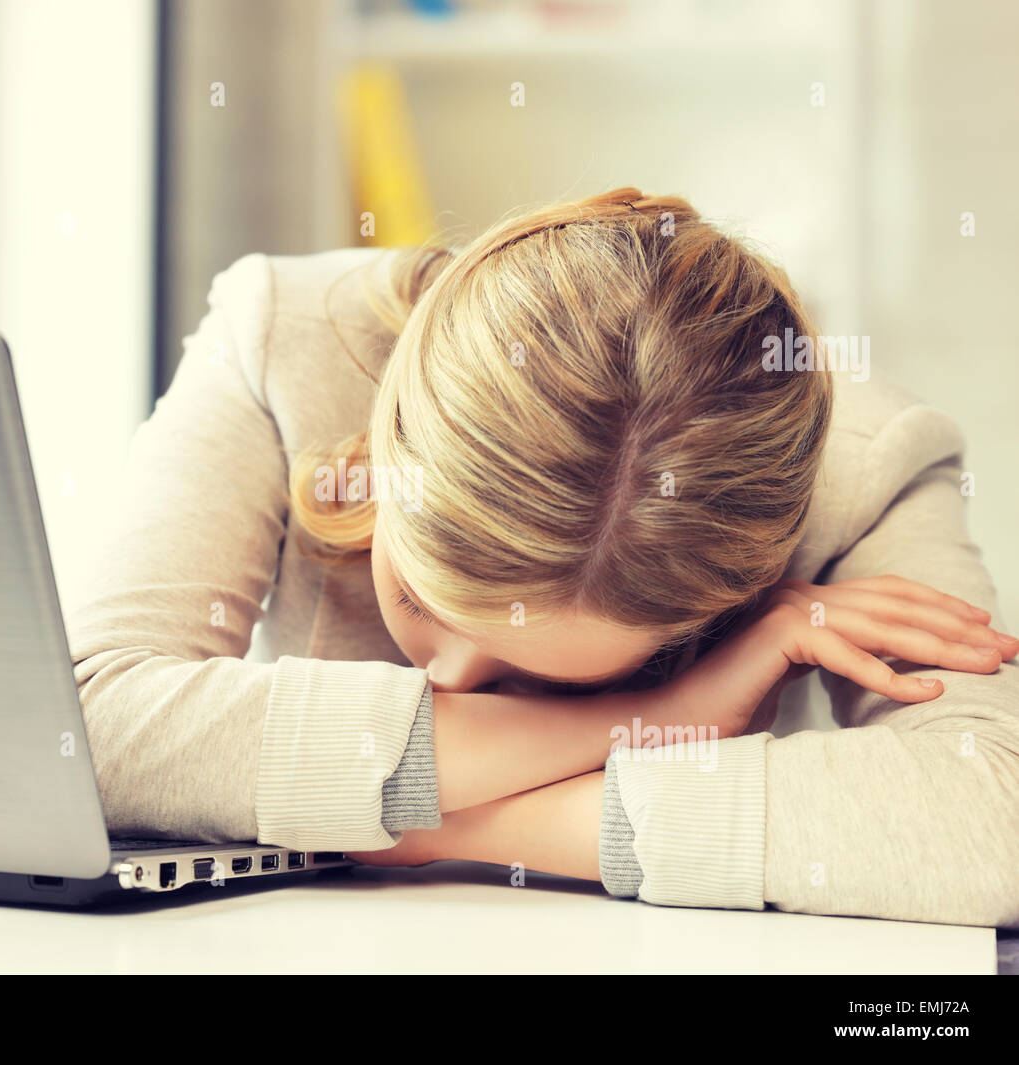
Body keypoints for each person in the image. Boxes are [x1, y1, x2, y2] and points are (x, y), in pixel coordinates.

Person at [67, 187, 1019, 926]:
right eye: (428, 599)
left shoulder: (864, 462)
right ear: (390, 430)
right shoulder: (286, 333)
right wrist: (652, 715)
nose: (448, 680)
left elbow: (994, 818)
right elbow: (85, 725)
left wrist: (424, 824)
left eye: (534, 668)